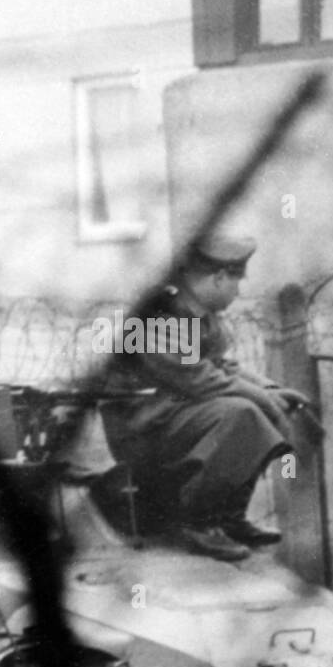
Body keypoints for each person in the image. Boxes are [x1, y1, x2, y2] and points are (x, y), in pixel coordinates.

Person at [100, 235, 310, 562]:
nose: (238, 293)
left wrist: (269, 390)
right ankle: (196, 523)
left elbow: (220, 365)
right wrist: (265, 402)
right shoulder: (164, 315)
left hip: (170, 416)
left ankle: (227, 517)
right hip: (140, 430)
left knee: (248, 409)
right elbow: (198, 377)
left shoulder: (199, 313)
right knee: (241, 414)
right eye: (235, 283)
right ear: (218, 278)